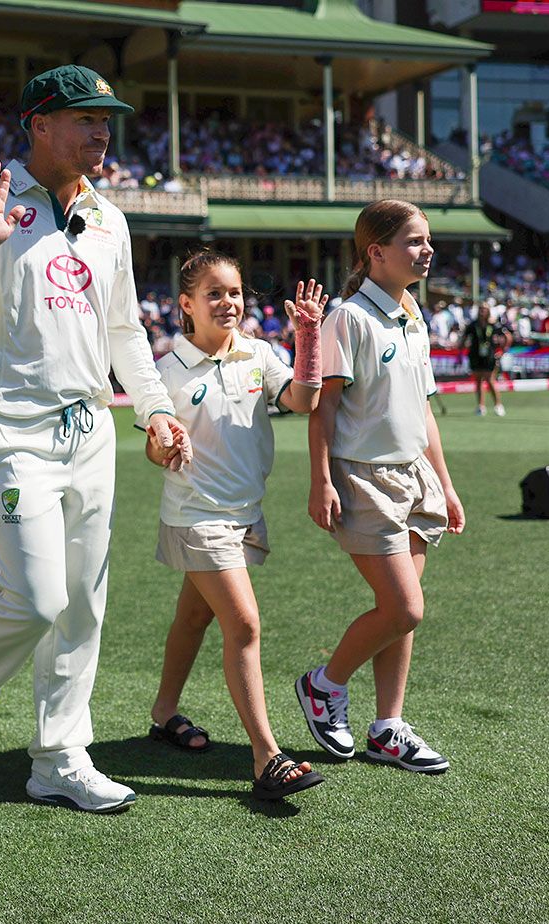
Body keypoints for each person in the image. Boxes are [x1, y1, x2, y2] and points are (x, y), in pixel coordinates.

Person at [0, 65, 192, 813]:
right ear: (38, 124)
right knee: (33, 597)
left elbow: (124, 330)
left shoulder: (108, 218)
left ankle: (59, 757)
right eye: (85, 118)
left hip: (90, 427)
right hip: (13, 427)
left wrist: (154, 410)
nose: (102, 132)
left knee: (83, 607)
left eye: (107, 119)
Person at [142, 250, 327, 801]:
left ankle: (163, 713)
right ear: (186, 304)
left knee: (195, 615)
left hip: (245, 512)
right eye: (214, 294)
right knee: (243, 625)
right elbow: (153, 451)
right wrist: (163, 445)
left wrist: (308, 338)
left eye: (236, 293)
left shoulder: (259, 353)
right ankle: (266, 758)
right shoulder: (165, 371)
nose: (228, 303)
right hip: (195, 516)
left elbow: (303, 399)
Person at [299, 199, 465, 776]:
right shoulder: (347, 317)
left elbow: (423, 410)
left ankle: (388, 727)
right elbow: (323, 410)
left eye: (428, 240)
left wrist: (444, 484)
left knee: (398, 614)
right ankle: (324, 685)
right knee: (406, 608)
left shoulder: (411, 312)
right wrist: (321, 480)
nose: (427, 250)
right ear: (377, 252)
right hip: (363, 478)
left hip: (413, 476)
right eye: (415, 241)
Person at [461, 302, 510, 416]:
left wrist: (502, 351)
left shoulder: (493, 324)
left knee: (490, 380)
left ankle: (498, 405)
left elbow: (507, 336)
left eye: (484, 309)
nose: (482, 311)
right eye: (481, 309)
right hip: (475, 355)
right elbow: (464, 338)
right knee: (478, 381)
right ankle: (481, 406)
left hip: (489, 356)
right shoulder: (473, 325)